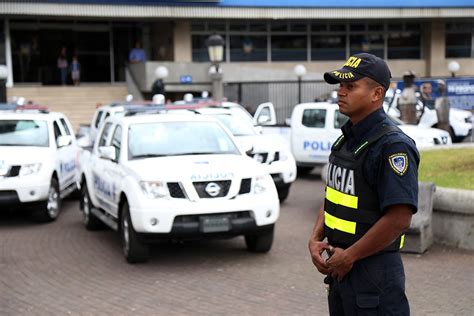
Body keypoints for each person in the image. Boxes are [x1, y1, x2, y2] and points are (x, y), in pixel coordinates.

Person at [308, 53, 419, 315]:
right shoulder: (346, 140)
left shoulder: (393, 146)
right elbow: (333, 197)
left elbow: (400, 218)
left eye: (350, 86)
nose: (341, 92)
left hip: (374, 273)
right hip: (341, 270)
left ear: (376, 93)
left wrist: (351, 256)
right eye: (340, 86)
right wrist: (314, 239)